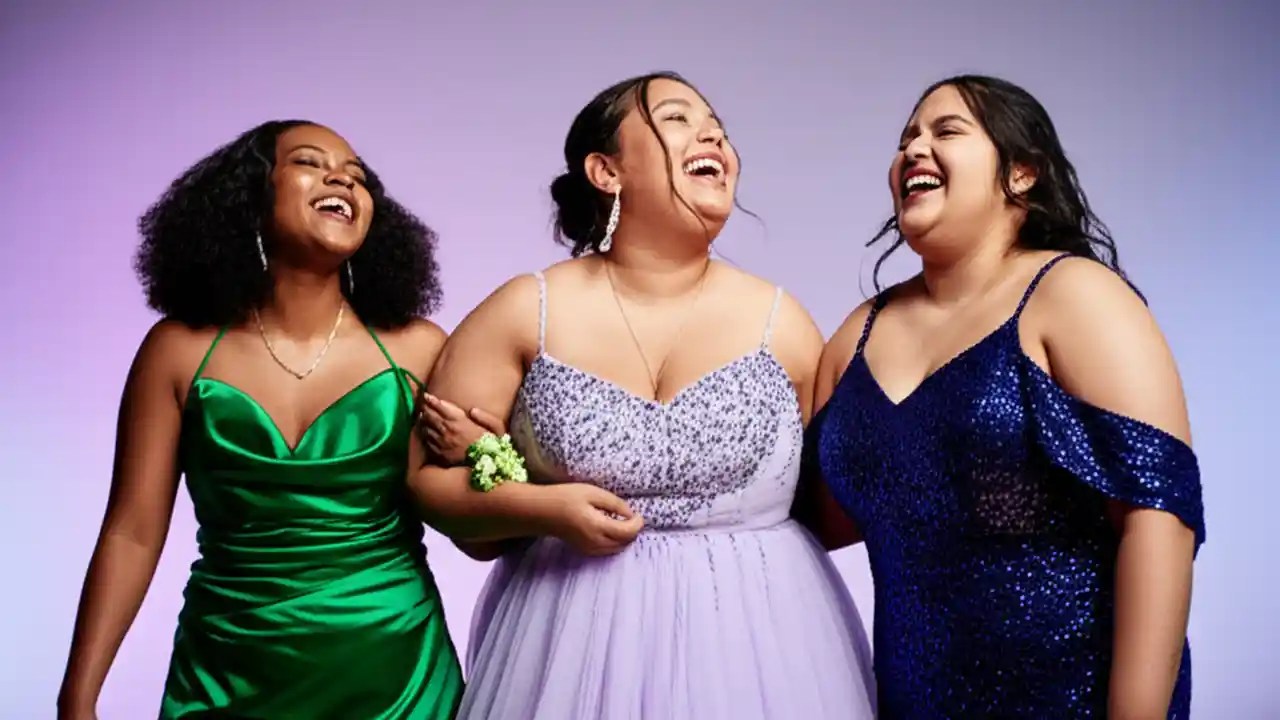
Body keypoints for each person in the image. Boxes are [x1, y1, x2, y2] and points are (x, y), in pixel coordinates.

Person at [411, 71, 876, 719]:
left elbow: (827, 505)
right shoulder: (524, 311)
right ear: (606, 170)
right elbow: (431, 489)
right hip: (566, 638)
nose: (712, 132)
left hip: (758, 638)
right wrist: (539, 507)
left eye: (718, 125)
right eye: (679, 117)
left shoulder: (785, 323)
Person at [810, 75, 1205, 718]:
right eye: (907, 136)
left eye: (946, 131)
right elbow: (794, 522)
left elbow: (1159, 516)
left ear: (1021, 173)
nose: (913, 148)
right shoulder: (856, 335)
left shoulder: (1074, 295)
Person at [57, 121, 463, 719]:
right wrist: (78, 697)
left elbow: (478, 529)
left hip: (398, 678)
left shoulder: (418, 349)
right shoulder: (177, 352)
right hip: (226, 674)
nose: (341, 180)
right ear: (251, 195)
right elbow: (133, 533)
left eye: (358, 177)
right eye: (309, 162)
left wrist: (486, 459)